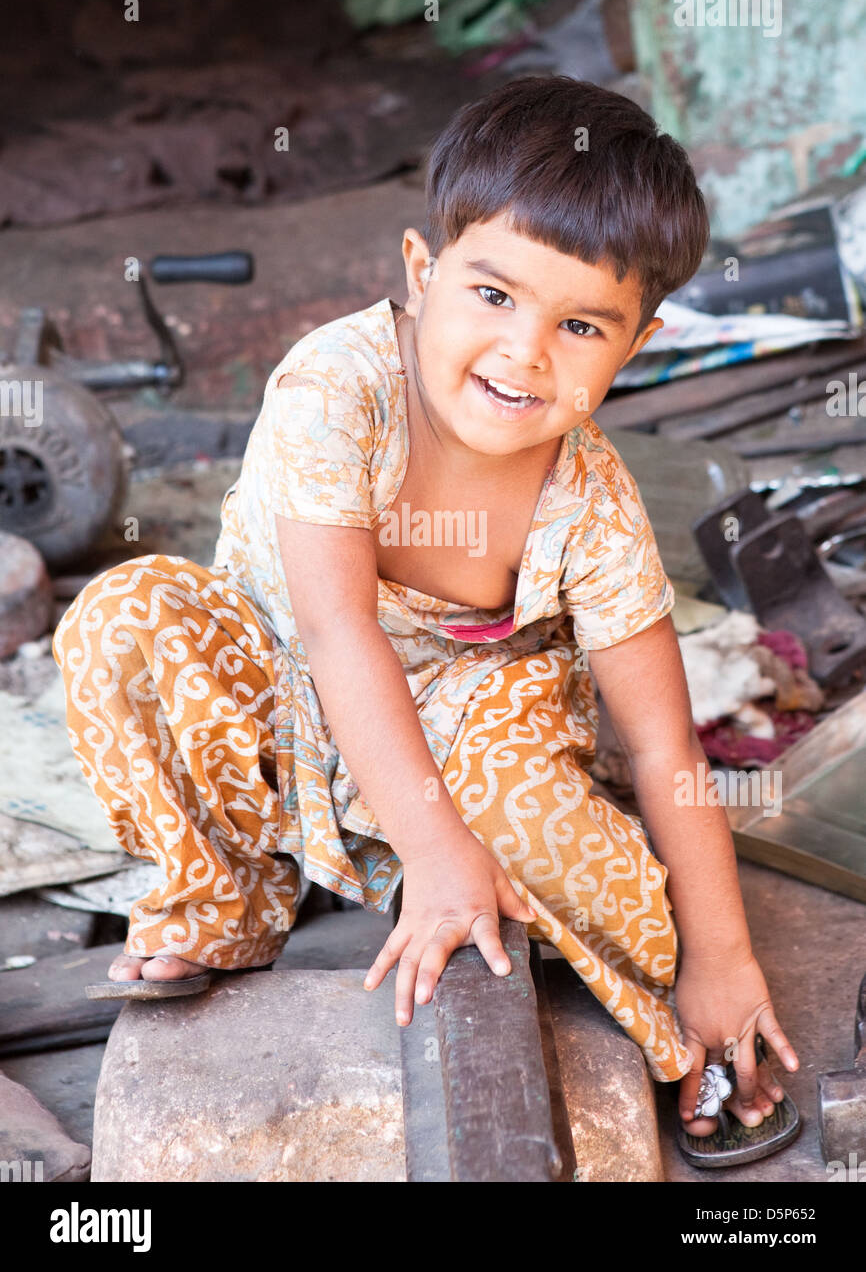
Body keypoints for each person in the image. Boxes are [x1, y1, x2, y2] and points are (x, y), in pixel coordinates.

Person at [53, 76, 799, 1165]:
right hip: (290, 702)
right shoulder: (333, 389)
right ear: (420, 273)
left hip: (473, 733)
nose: (523, 353)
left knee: (633, 908)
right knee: (123, 619)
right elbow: (334, 632)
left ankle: (647, 1017)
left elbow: (656, 743)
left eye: (579, 323)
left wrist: (720, 957)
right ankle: (235, 896)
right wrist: (441, 849)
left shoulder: (591, 501)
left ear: (630, 347)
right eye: (492, 295)